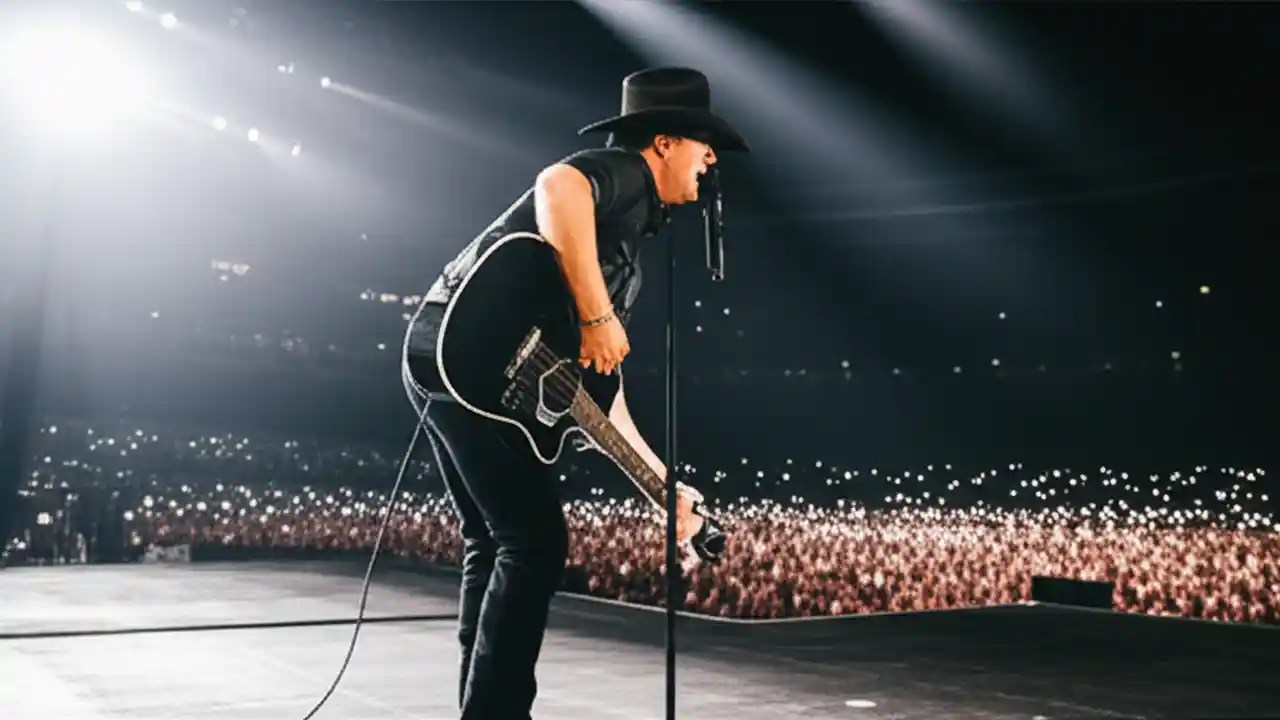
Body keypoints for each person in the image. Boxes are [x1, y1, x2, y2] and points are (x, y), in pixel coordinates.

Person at [401, 67, 750, 719]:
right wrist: (596, 315)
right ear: (665, 143)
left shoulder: (621, 247)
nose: (709, 170)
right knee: (535, 543)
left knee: (496, 540)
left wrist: (662, 486)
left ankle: (479, 706)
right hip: (471, 358)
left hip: (449, 360)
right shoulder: (624, 176)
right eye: (705, 152)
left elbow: (600, 396)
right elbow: (557, 184)